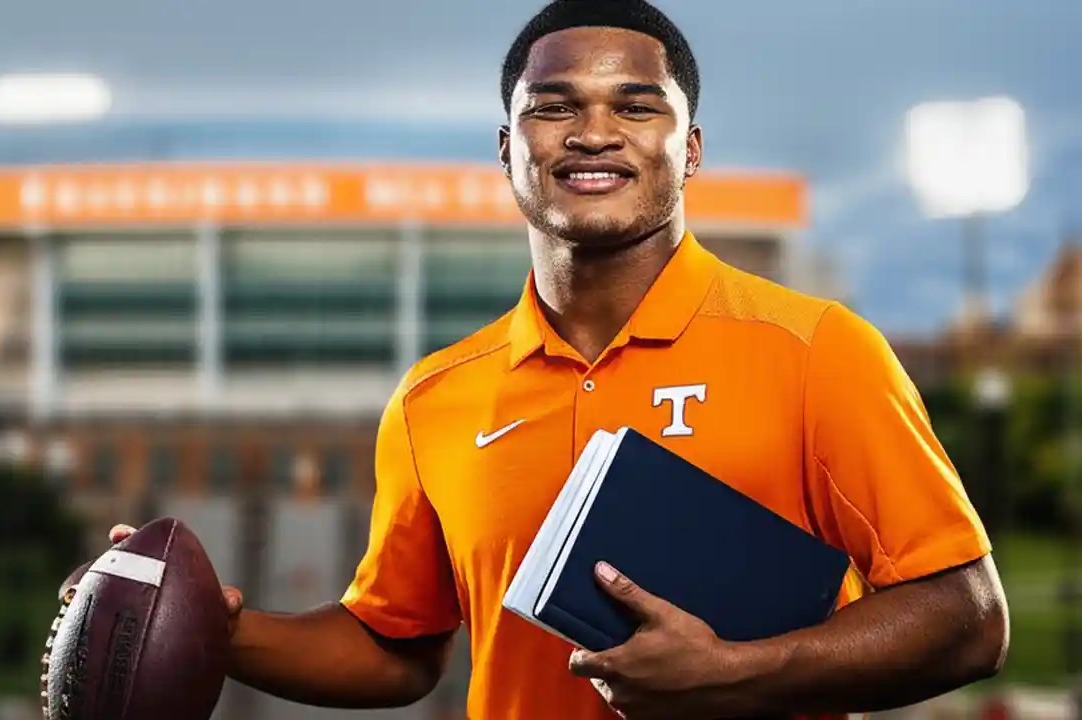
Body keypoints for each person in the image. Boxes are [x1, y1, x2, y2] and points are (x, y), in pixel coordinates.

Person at [110, 0, 1009, 717]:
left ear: (689, 151)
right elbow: (395, 647)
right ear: (509, 151)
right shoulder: (436, 398)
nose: (592, 131)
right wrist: (209, 629)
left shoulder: (817, 350)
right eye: (553, 106)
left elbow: (966, 621)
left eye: (635, 104)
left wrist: (736, 674)